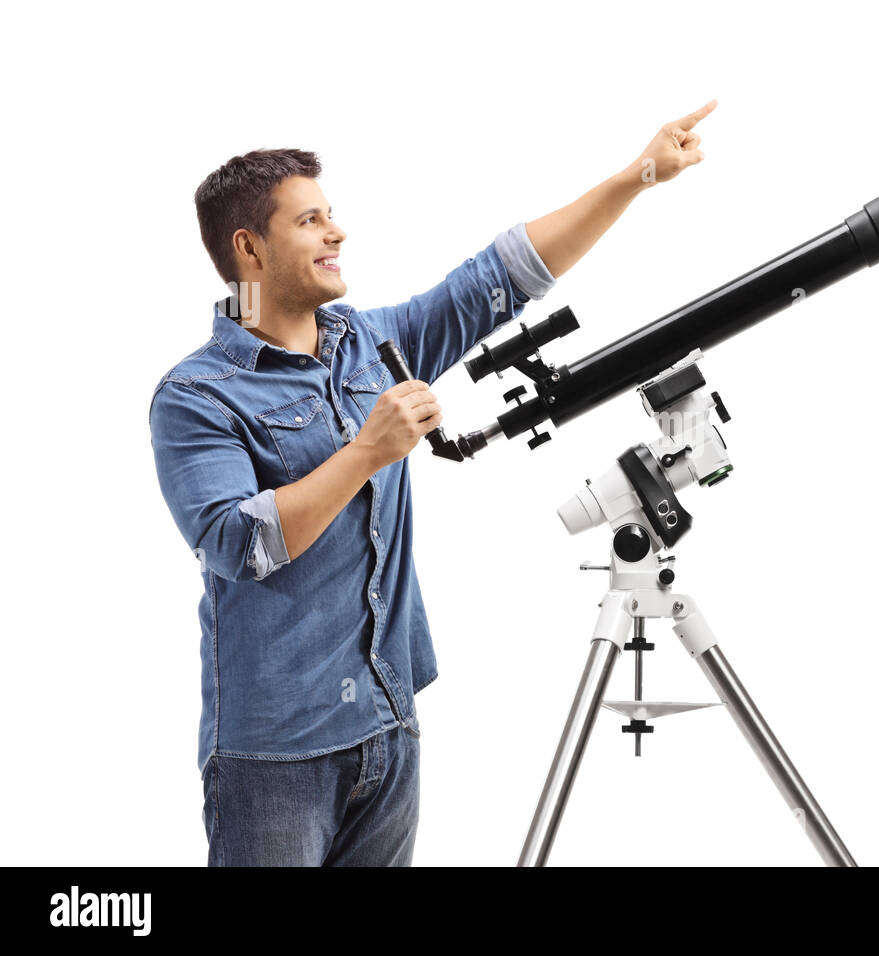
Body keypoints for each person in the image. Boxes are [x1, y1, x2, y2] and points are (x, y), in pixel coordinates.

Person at [148, 100, 716, 866]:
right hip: (277, 757)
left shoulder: (373, 343)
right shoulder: (196, 395)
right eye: (311, 221)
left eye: (332, 214)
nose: (337, 232)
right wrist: (366, 452)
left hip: (388, 727)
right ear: (250, 248)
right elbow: (238, 544)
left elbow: (505, 274)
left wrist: (637, 176)